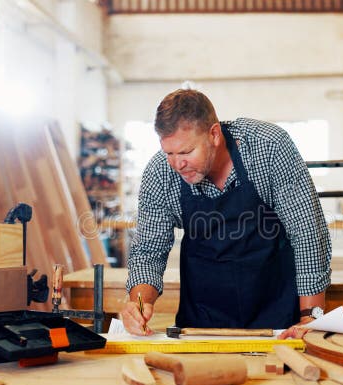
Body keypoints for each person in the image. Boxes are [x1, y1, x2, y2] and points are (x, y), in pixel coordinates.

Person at [119, 88, 331, 339]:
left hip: (276, 318)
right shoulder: (160, 173)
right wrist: (139, 305)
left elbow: (307, 232)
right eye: (169, 153)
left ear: (214, 134)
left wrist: (310, 317)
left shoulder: (268, 147)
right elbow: (148, 250)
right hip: (201, 324)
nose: (177, 164)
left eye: (186, 152)